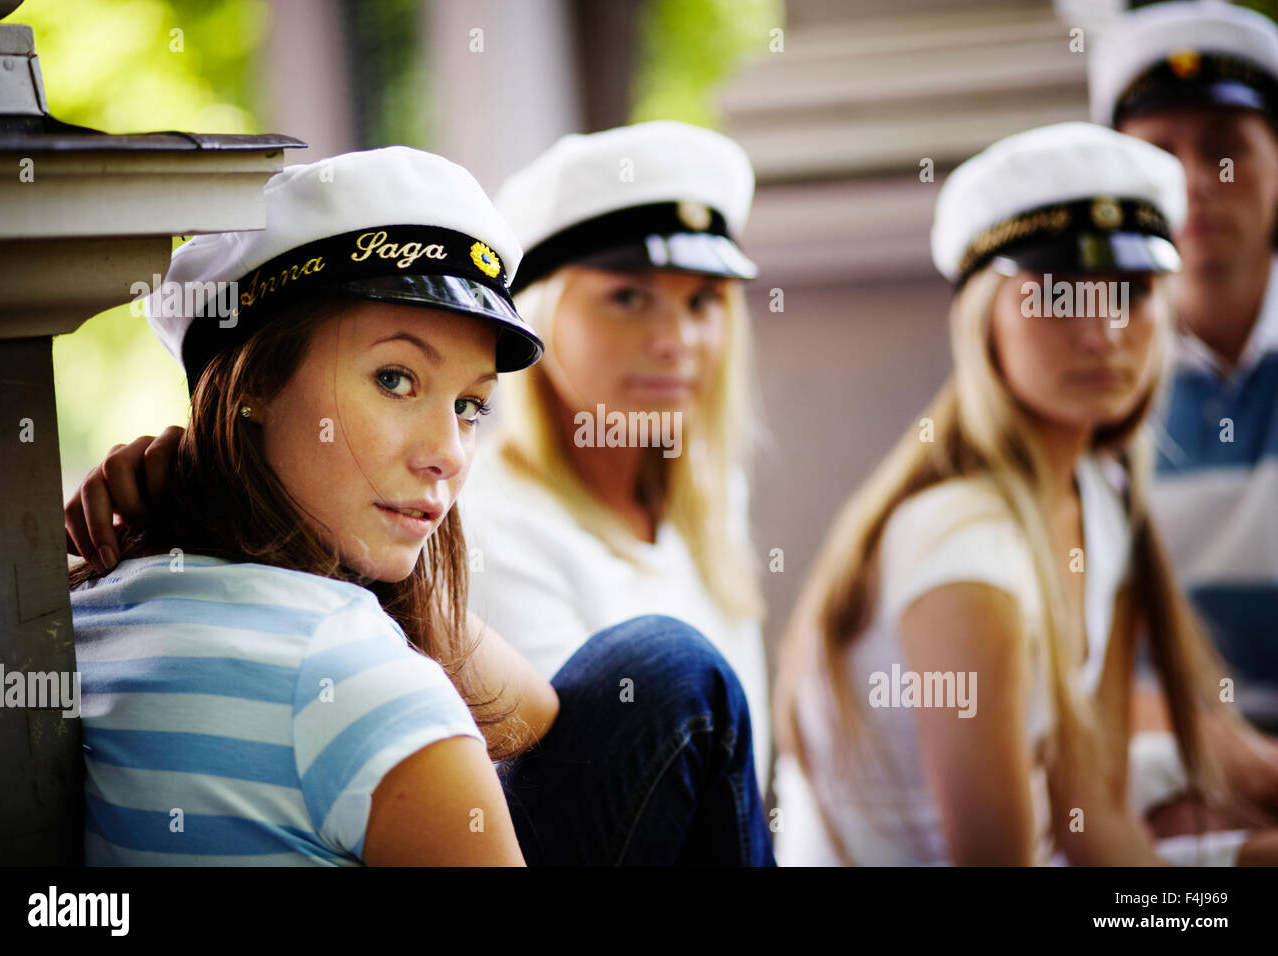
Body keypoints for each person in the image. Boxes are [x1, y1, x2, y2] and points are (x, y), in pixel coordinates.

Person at [66, 145, 774, 865]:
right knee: (678, 668)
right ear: (254, 382)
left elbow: (544, 723)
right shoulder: (364, 683)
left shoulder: (86, 604)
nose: (450, 452)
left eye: (470, 405)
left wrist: (206, 473)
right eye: (396, 379)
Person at [771, 122, 1278, 866]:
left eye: (1131, 292)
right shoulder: (966, 551)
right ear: (987, 320)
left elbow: (1089, 816)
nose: (1102, 332)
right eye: (1058, 294)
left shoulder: (1099, 497)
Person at [458, 120, 774, 791]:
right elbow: (609, 807)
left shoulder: (714, 498)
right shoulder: (489, 528)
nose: (676, 340)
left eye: (703, 301)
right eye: (628, 297)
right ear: (540, 317)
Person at [1089, 0, 1278, 838]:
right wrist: (1204, 741)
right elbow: (1070, 651)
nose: (1196, 181)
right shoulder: (1088, 379)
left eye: (1226, 148)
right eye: (1159, 155)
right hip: (1169, 766)